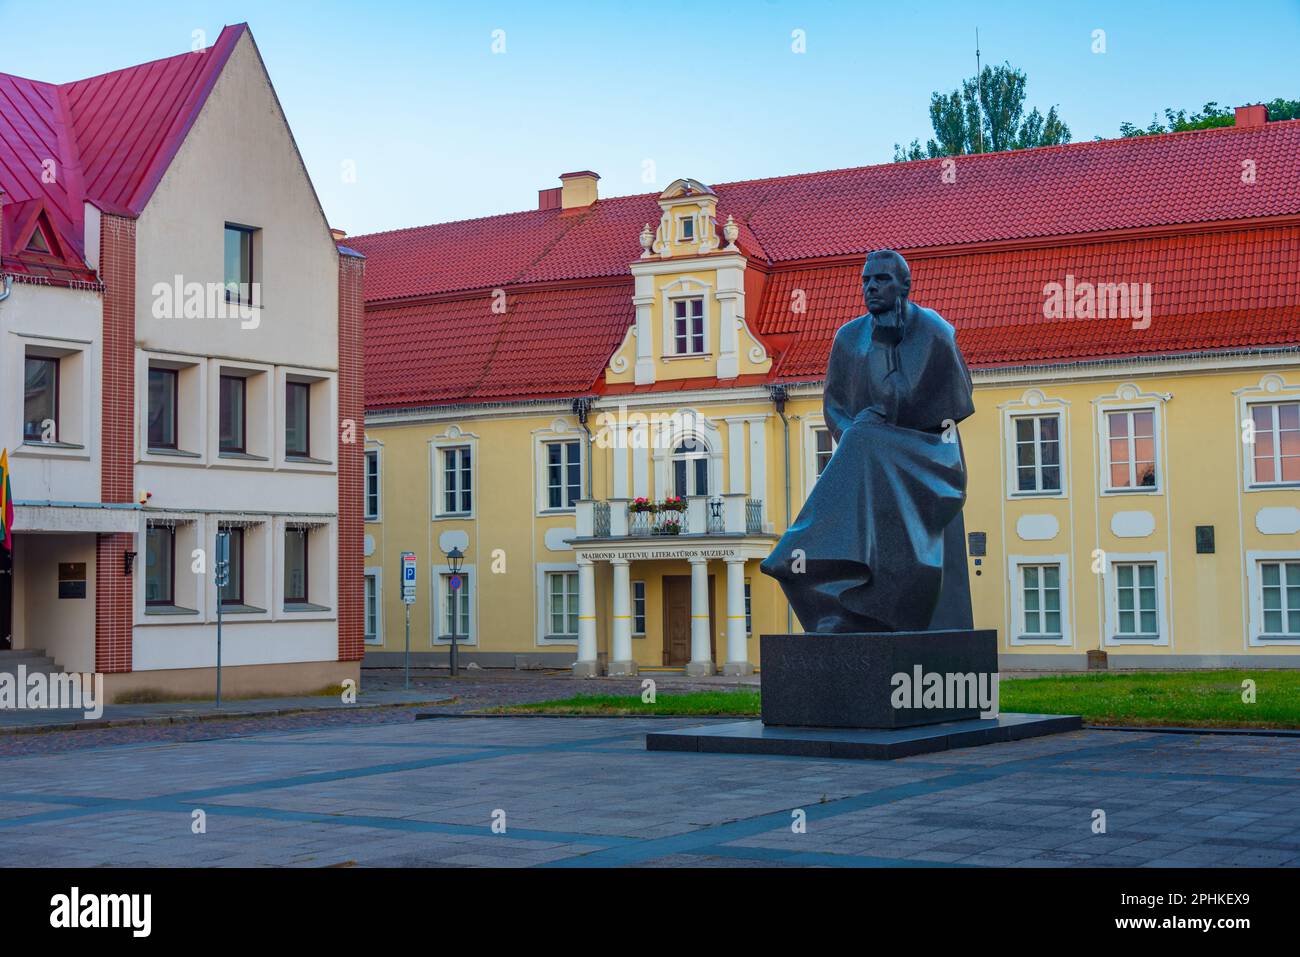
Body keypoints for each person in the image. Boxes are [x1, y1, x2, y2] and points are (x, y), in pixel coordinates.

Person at [760, 249, 975, 633]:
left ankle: (809, 559)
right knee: (862, 440)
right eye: (866, 280)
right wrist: (858, 429)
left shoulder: (934, 332)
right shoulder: (848, 337)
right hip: (867, 450)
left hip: (930, 455)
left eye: (882, 280)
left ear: (904, 285)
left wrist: (883, 412)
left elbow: (945, 412)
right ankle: (848, 600)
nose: (872, 288)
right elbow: (835, 408)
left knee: (866, 442)